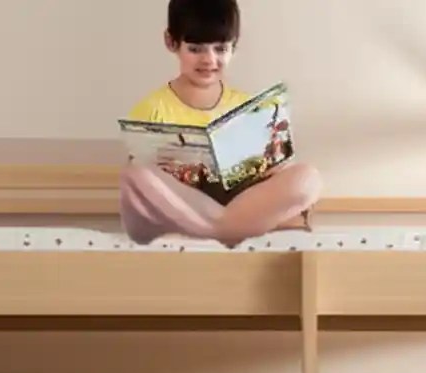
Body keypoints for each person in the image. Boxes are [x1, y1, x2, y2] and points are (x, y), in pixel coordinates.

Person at [119, 0, 323, 247]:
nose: (209, 59)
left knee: (307, 178)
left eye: (220, 49)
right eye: (195, 49)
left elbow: (272, 177)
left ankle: (215, 230)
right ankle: (226, 231)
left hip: (233, 206)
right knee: (135, 175)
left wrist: (270, 168)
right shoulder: (152, 108)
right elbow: (144, 188)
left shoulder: (250, 110)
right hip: (177, 209)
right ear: (171, 42)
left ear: (233, 47)